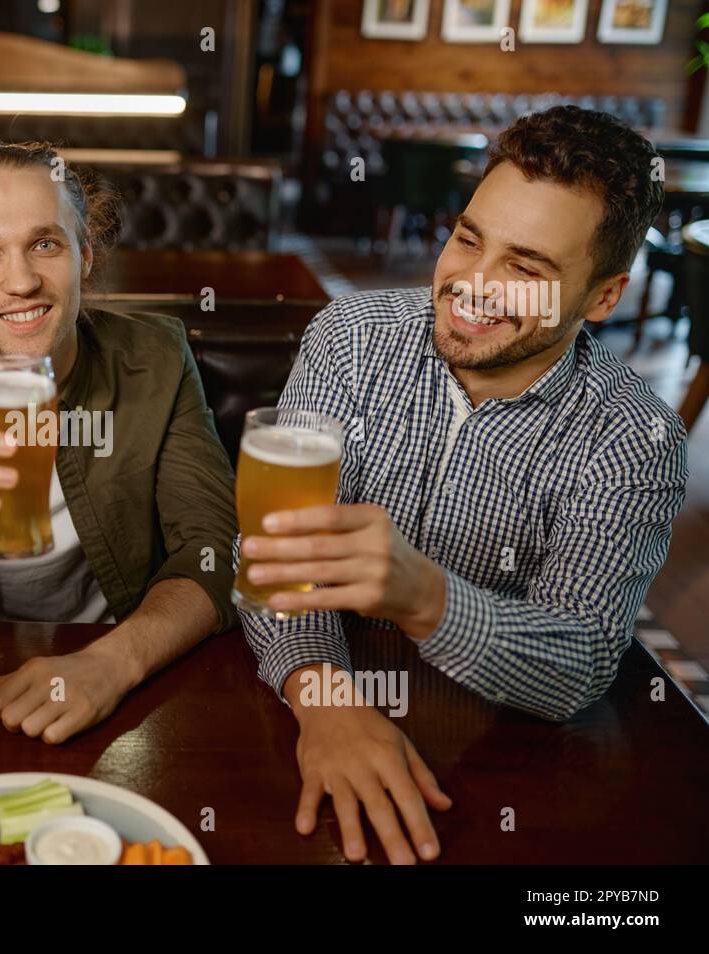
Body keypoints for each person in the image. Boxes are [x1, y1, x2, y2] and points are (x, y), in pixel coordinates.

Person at [238, 106, 687, 864]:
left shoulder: (634, 437)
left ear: (604, 296)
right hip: (299, 708)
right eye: (468, 239)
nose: (471, 284)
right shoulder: (350, 336)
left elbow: (578, 664)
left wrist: (424, 595)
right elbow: (270, 561)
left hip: (495, 756)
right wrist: (328, 702)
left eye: (526, 267)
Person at [0, 141, 237, 743]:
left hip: (119, 669)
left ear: (85, 253)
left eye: (45, 243)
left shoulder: (157, 357)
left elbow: (215, 551)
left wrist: (112, 663)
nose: (20, 281)